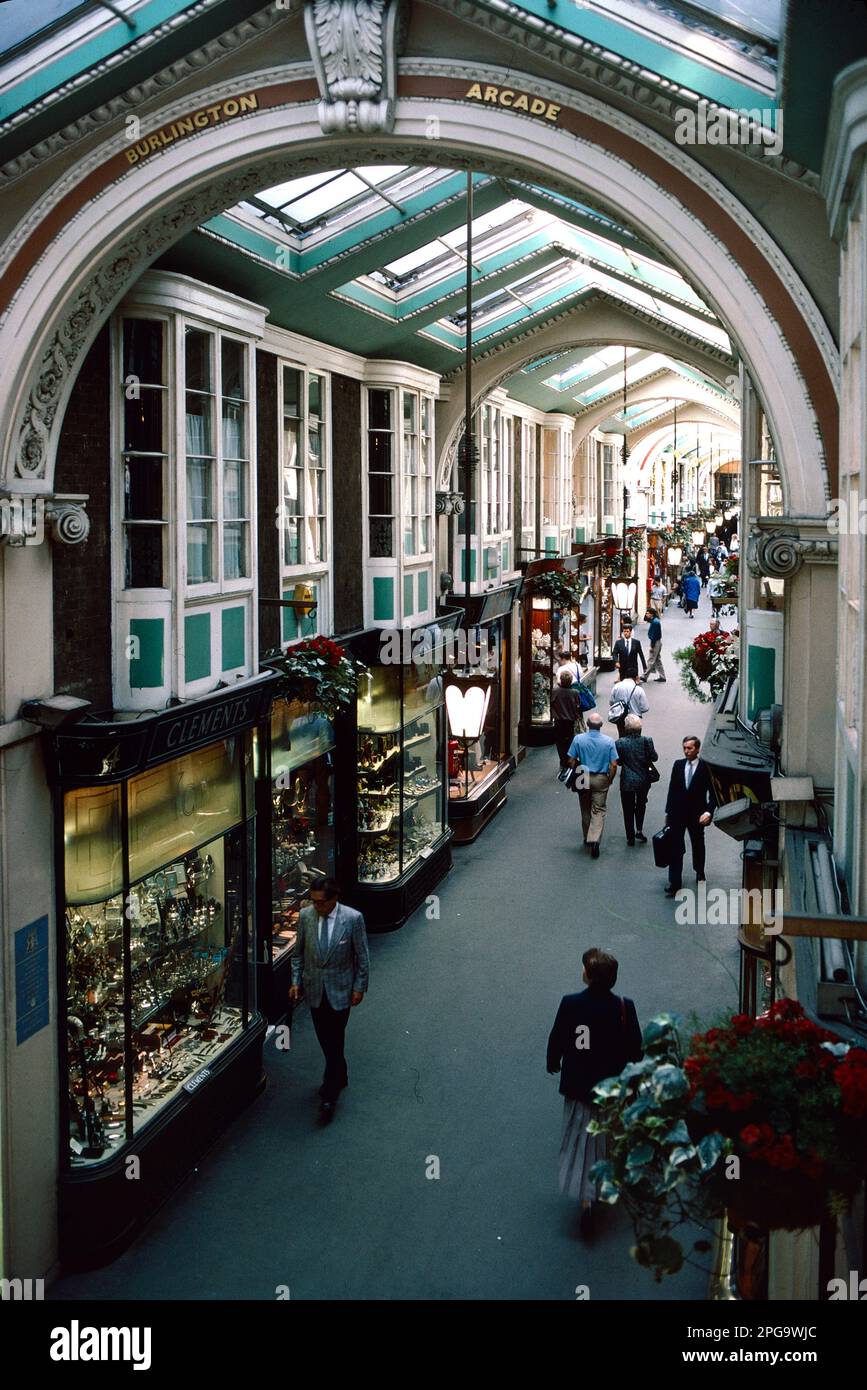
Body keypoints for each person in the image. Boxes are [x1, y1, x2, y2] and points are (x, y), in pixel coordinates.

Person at [547, 947, 643, 1237]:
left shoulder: (571, 1003)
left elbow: (559, 1037)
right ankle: (604, 1185)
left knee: (579, 1138)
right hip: (612, 1088)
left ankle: (586, 1198)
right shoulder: (625, 1006)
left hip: (580, 1085)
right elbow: (635, 1047)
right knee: (606, 1139)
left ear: (587, 976)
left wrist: (553, 1060)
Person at [289, 877, 370, 1118]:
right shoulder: (306, 917)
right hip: (315, 989)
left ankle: (329, 1093)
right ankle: (340, 1071)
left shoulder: (353, 919)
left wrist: (359, 987)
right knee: (325, 1037)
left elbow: (363, 957)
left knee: (334, 1038)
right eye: (313, 902)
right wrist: (295, 982)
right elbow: (297, 954)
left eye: (321, 903)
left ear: (334, 898)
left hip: (341, 989)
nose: (317, 907)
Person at [663, 736, 718, 897]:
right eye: (685, 748)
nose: (686, 751)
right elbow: (672, 790)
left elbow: (714, 793)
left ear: (697, 749)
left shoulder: (705, 768)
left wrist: (708, 812)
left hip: (697, 814)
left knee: (698, 843)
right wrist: (668, 812)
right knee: (675, 846)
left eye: (690, 748)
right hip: (678, 814)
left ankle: (699, 871)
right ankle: (674, 882)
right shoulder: (678, 765)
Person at [567, 713, 618, 858]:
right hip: (601, 777)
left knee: (585, 806)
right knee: (599, 809)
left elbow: (570, 760)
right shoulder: (608, 741)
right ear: (601, 725)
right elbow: (614, 764)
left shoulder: (578, 739)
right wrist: (610, 779)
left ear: (588, 725)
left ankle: (586, 837)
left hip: (583, 775)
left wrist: (575, 769)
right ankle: (595, 839)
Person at [615, 713, 658, 845]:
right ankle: (639, 829)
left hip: (627, 780)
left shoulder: (620, 743)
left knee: (627, 808)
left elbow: (619, 762)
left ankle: (630, 836)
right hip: (644, 779)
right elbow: (654, 757)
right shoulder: (647, 740)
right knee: (641, 805)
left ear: (626, 728)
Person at [551, 669, 585, 772]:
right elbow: (578, 706)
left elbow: (551, 703)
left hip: (558, 721)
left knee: (560, 743)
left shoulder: (555, 691)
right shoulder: (575, 692)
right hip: (570, 722)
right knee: (570, 742)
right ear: (570, 681)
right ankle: (570, 761)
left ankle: (563, 762)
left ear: (561, 680)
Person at [607, 672, 648, 739]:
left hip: (620, 718)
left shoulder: (616, 686)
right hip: (635, 719)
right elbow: (645, 708)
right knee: (636, 740)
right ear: (636, 677)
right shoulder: (639, 689)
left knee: (622, 738)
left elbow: (611, 702)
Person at [641, 607, 666, 683]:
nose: (646, 614)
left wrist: (652, 646)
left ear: (651, 614)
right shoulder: (655, 621)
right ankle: (662, 676)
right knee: (657, 660)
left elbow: (654, 636)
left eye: (647, 613)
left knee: (651, 659)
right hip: (657, 642)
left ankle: (645, 676)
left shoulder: (654, 622)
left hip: (655, 642)